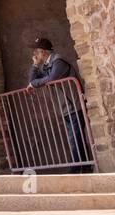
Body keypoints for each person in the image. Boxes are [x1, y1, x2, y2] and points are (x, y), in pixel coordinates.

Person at [26, 37, 92, 172]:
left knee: (74, 138)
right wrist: (34, 66)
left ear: (43, 52)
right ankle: (85, 167)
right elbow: (32, 80)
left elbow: (51, 79)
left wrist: (34, 84)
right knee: (75, 137)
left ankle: (76, 169)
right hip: (66, 107)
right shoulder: (46, 66)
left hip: (74, 105)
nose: (35, 55)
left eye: (36, 53)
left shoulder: (58, 62)